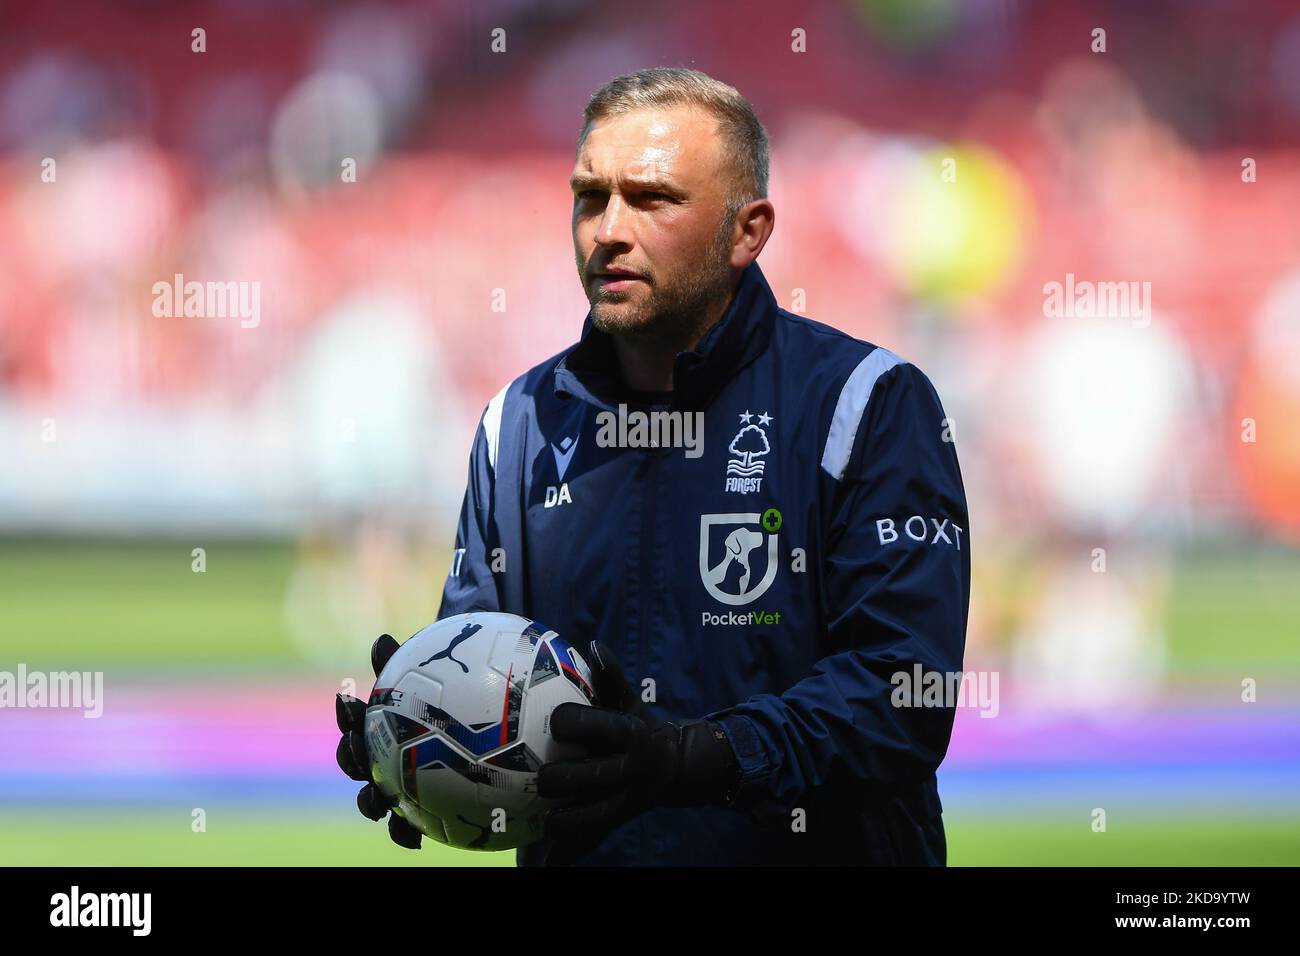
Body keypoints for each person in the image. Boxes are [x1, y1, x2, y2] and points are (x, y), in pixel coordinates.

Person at [338, 67, 970, 866]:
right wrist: (417, 733)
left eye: (652, 199)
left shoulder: (868, 405)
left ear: (749, 230)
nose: (609, 229)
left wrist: (693, 759)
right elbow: (492, 670)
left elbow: (903, 699)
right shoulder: (520, 424)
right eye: (590, 196)